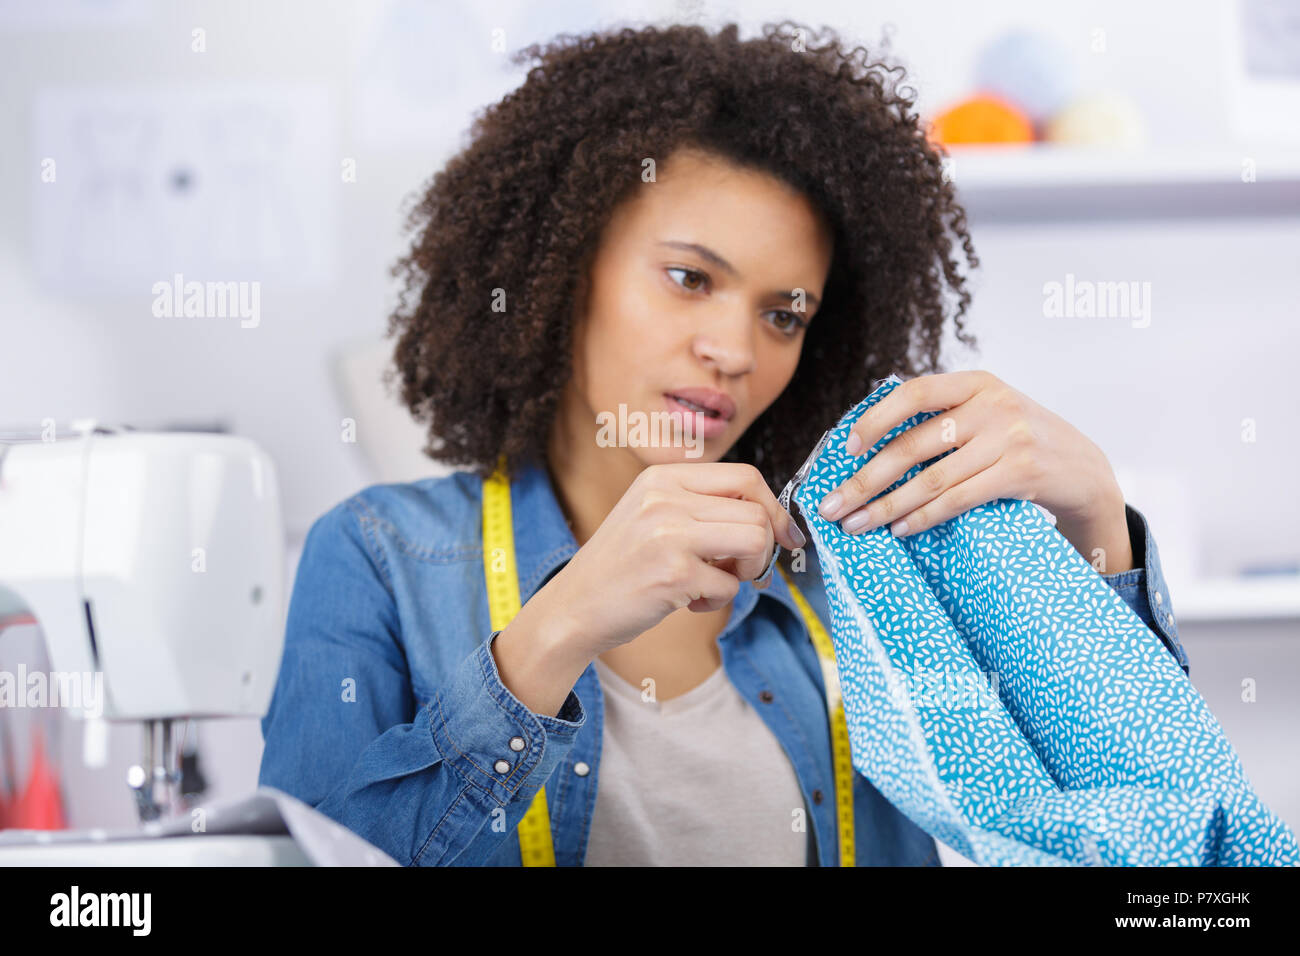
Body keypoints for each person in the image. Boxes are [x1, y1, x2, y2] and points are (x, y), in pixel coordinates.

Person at [258, 21, 1188, 866]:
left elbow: (1146, 840)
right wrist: (555, 631)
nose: (736, 351)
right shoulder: (381, 556)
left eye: (785, 315)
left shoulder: (863, 566)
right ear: (561, 267)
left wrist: (1098, 523)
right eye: (688, 277)